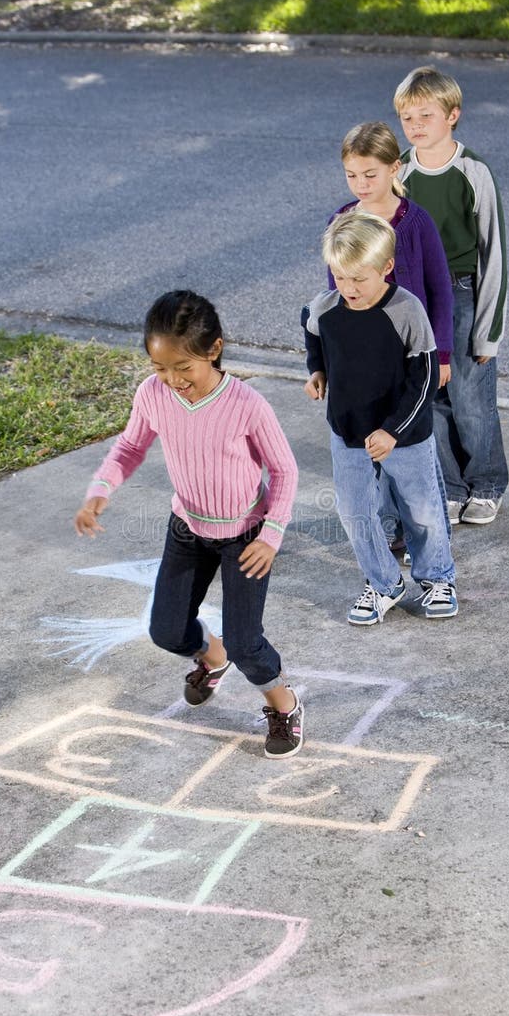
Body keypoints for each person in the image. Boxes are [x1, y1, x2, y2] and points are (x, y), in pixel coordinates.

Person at [74, 290, 304, 759]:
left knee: (247, 643)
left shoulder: (245, 403)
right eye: (161, 368)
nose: (173, 379)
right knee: (166, 630)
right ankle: (210, 656)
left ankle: (284, 705)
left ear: (213, 350)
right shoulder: (152, 395)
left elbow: (284, 471)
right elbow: (129, 447)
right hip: (188, 529)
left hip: (245, 537)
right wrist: (100, 490)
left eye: (184, 368)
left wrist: (272, 534)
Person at [303, 211, 458, 624]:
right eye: (340, 277)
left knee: (421, 509)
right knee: (355, 512)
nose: (349, 288)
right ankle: (384, 584)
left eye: (360, 278)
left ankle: (437, 577)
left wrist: (392, 431)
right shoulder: (326, 307)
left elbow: (424, 381)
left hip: (403, 431)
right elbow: (313, 330)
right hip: (348, 431)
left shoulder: (408, 310)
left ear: (387, 267)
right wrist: (315, 370)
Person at [328, 120, 455, 557]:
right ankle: (392, 529)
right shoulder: (341, 224)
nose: (361, 184)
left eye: (370, 174)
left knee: (414, 443)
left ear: (394, 169)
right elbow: (333, 300)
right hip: (365, 361)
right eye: (351, 175)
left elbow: (439, 291)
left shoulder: (416, 222)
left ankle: (432, 534)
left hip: (412, 354)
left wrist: (441, 354)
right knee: (371, 447)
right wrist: (327, 363)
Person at [394, 65, 509, 526]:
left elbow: (493, 250)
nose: (416, 125)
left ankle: (486, 483)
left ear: (453, 115)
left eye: (426, 115)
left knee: (470, 396)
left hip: (461, 293)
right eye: (407, 117)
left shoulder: (472, 171)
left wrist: (489, 331)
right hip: (413, 296)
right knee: (429, 395)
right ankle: (450, 485)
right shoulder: (399, 170)